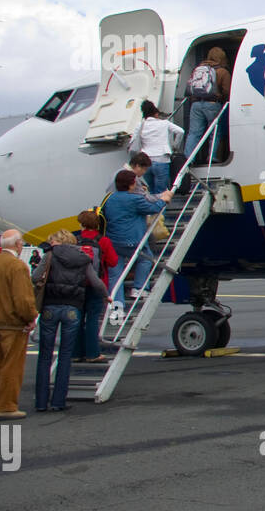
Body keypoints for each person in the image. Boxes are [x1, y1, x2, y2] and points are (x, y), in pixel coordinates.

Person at [32, 230, 109, 412]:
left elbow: (35, 277)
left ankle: (41, 402)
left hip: (50, 306)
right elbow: (95, 282)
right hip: (73, 307)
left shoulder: (49, 255)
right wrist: (106, 296)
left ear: (56, 241)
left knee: (45, 355)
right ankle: (59, 401)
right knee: (66, 355)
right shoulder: (82, 257)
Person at [0, 228, 36, 420]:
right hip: (12, 324)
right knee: (12, 367)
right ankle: (5, 406)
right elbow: (23, 299)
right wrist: (30, 317)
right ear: (18, 244)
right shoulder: (17, 266)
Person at [105, 169, 172, 316]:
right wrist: (164, 199)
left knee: (115, 276)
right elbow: (153, 208)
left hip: (113, 242)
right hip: (132, 241)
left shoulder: (109, 198)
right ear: (131, 184)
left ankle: (117, 309)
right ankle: (139, 288)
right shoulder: (134, 199)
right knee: (146, 259)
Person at [76, 210, 118, 362]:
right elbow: (113, 262)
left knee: (78, 319)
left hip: (78, 284)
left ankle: (76, 353)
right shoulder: (103, 241)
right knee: (93, 319)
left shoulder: (77, 240)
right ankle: (93, 353)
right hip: (97, 284)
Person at [184, 46, 231, 165]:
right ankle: (212, 157)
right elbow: (227, 91)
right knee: (215, 132)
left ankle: (188, 158)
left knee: (194, 133)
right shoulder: (222, 71)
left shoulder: (198, 69)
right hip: (213, 104)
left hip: (195, 104)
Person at [131, 101, 183, 195]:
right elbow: (180, 131)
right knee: (162, 192)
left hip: (145, 162)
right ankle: (161, 208)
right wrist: (175, 146)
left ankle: (153, 208)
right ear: (156, 114)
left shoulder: (140, 125)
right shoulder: (164, 123)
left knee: (151, 191)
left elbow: (133, 140)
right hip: (161, 159)